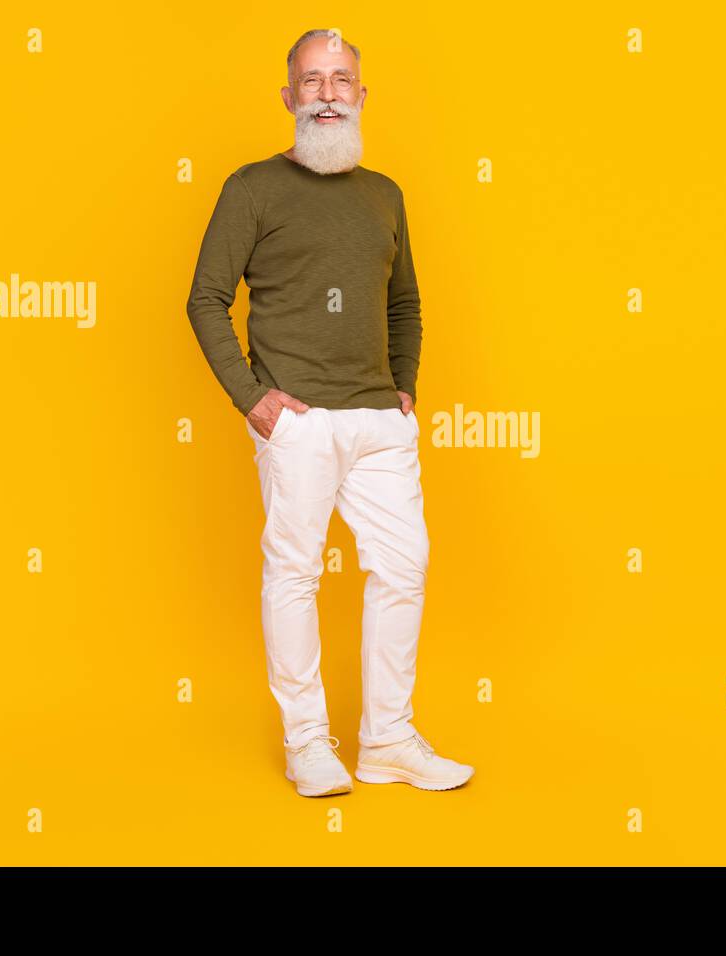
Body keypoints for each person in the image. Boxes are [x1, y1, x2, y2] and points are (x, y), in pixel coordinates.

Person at [185, 28, 474, 797]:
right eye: (310, 80)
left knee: (404, 568)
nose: (326, 93)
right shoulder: (251, 188)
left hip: (380, 422)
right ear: (288, 97)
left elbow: (405, 301)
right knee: (294, 575)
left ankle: (386, 741)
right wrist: (253, 400)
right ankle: (308, 742)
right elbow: (205, 299)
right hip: (301, 421)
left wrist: (404, 388)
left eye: (340, 79)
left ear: (360, 95)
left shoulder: (385, 194)